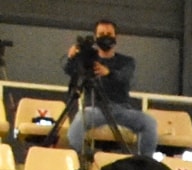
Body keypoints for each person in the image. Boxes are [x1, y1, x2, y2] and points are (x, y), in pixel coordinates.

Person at [63, 19, 158, 159]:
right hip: (95, 109)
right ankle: (77, 158)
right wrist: (71, 58)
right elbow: (69, 71)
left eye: (109, 34)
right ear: (95, 37)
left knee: (149, 122)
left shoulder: (127, 61)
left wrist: (108, 73)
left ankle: (144, 162)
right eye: (101, 34)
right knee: (79, 120)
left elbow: (125, 77)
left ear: (116, 37)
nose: (105, 37)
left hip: (122, 110)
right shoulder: (89, 60)